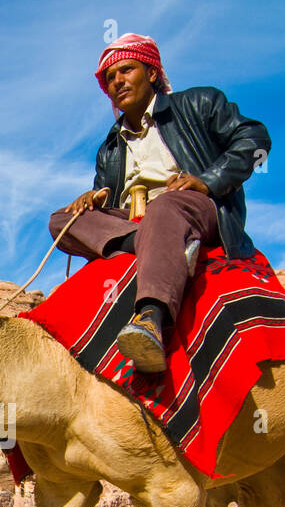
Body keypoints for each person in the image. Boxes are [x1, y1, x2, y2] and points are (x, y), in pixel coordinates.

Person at [49, 33, 270, 373]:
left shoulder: (199, 103)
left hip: (193, 207)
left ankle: (151, 319)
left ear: (151, 72)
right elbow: (105, 193)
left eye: (126, 70)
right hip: (134, 220)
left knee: (164, 207)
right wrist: (91, 199)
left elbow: (254, 138)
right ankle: (157, 243)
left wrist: (208, 182)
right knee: (61, 220)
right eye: (110, 77)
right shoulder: (109, 147)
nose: (117, 81)